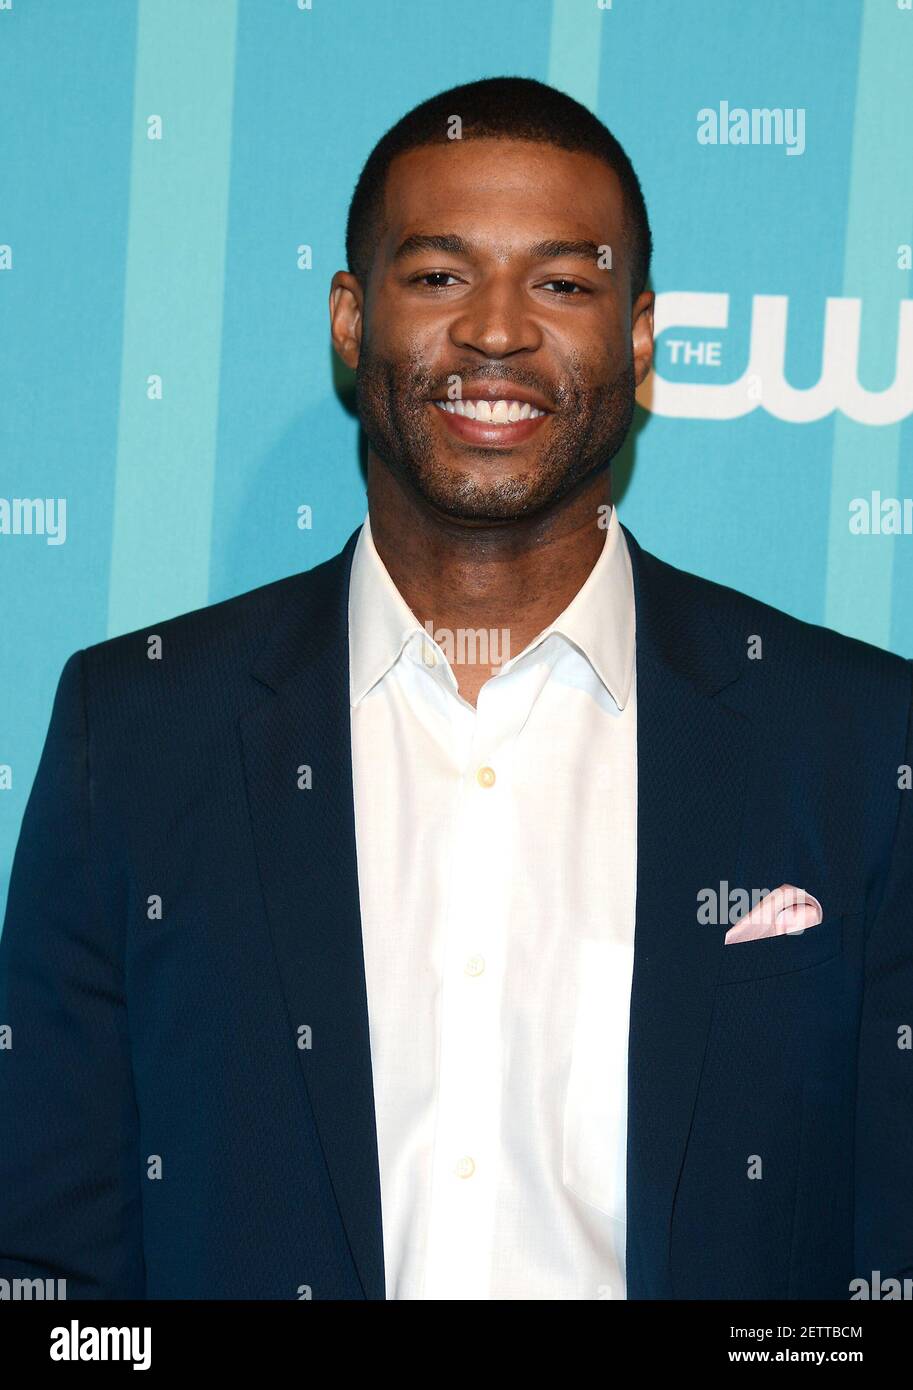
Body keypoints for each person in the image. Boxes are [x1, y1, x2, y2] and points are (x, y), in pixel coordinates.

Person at [1, 76, 911, 1301]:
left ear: (638, 336)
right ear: (348, 317)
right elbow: (52, 1268)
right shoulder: (143, 729)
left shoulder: (853, 740)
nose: (495, 331)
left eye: (563, 283)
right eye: (437, 275)